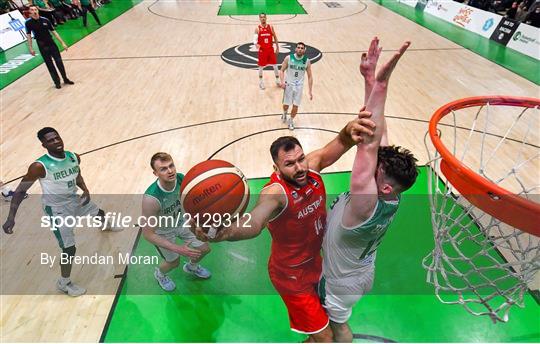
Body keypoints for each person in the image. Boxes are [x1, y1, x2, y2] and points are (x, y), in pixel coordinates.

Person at [192, 117, 376, 341]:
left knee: (320, 328)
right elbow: (255, 222)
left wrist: (349, 129)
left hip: (317, 264)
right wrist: (224, 232)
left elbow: (341, 140)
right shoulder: (275, 193)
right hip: (291, 275)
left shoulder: (312, 166)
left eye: (300, 159)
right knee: (326, 337)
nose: (299, 168)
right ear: (276, 168)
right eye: (290, 164)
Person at [319, 38, 418, 342]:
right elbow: (376, 136)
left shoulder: (365, 204)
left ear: (383, 184)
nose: (370, 165)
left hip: (340, 282)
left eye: (375, 170)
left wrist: (383, 84)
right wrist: (369, 80)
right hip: (362, 272)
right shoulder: (392, 194)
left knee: (337, 328)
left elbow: (368, 144)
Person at [2, 127, 119, 297]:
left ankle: (105, 226)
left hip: (74, 199)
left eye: (57, 138)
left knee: (99, 212)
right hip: (58, 210)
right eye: (50, 140)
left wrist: (85, 189)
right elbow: (20, 191)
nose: (56, 142)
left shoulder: (73, 156)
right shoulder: (39, 166)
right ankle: (64, 283)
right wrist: (11, 218)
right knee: (69, 249)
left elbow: (77, 174)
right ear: (44, 145)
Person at [141, 152, 211, 292]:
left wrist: (197, 222)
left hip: (182, 222)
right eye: (163, 169)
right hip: (162, 232)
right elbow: (148, 234)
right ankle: (159, 274)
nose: (170, 171)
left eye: (171, 165)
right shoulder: (151, 199)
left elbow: (191, 202)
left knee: (205, 249)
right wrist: (179, 249)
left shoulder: (181, 179)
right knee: (173, 262)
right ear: (155, 173)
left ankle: (191, 267)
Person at [25, 5, 74, 89]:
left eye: (35, 9)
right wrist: (30, 48)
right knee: (49, 64)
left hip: (51, 43)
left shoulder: (45, 20)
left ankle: (65, 79)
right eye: (32, 10)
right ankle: (57, 82)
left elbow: (54, 32)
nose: (34, 11)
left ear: (38, 10)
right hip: (42, 45)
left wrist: (62, 43)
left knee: (59, 62)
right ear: (30, 12)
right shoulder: (28, 23)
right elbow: (29, 36)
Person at [279, 42, 313, 130]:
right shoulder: (288, 58)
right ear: (295, 49)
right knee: (286, 105)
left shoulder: (307, 61)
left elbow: (310, 76)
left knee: (295, 105)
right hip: (289, 85)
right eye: (298, 47)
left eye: (302, 48)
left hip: (299, 86)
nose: (300, 49)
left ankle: (291, 120)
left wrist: (310, 91)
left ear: (304, 50)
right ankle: (285, 113)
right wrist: (282, 82)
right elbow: (282, 70)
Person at [254, 13, 279, 90]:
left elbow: (275, 37)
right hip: (262, 51)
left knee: (275, 65)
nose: (263, 19)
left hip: (270, 50)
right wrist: (256, 44)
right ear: (259, 19)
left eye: (264, 17)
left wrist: (277, 47)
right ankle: (261, 82)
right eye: (261, 17)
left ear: (266, 18)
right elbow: (254, 40)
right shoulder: (257, 28)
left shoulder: (270, 27)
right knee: (261, 67)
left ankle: (277, 80)